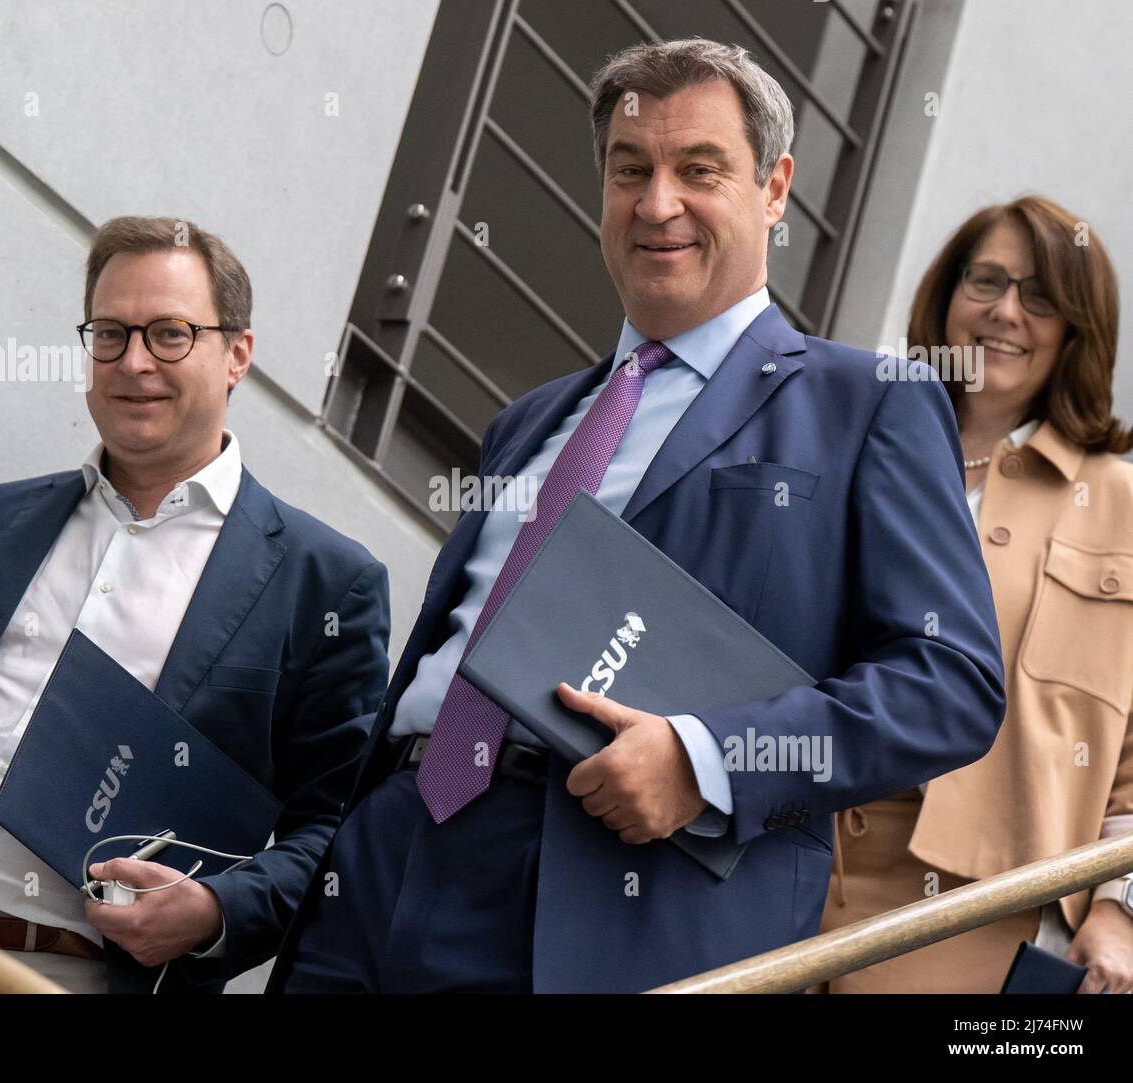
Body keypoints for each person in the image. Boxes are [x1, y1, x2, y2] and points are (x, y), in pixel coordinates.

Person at [266, 37, 1006, 994]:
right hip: (383, 859)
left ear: (775, 189)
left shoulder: (870, 403)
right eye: (630, 171)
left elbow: (950, 680)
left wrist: (709, 762)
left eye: (700, 170)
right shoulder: (530, 422)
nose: (658, 203)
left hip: (608, 905)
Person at [0, 216, 389, 993]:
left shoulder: (325, 585)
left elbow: (334, 830)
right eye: (110, 333)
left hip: (54, 978)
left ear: (237, 355)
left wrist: (215, 908)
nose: (132, 362)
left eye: (168, 333)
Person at [817, 196, 1133, 994]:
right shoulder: (845, 439)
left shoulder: (1120, 503)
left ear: (1076, 329)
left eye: (1040, 296)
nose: (1004, 312)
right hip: (784, 843)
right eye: (985, 281)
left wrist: (1119, 909)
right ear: (946, 295)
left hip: (975, 908)